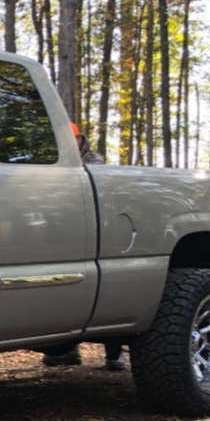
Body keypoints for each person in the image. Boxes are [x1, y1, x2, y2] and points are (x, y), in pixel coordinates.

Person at [42, 123, 124, 371]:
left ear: (79, 139)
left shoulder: (93, 163)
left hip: (98, 231)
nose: (68, 143)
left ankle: (114, 355)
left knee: (111, 292)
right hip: (66, 232)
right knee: (67, 294)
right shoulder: (54, 163)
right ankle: (67, 351)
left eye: (71, 139)